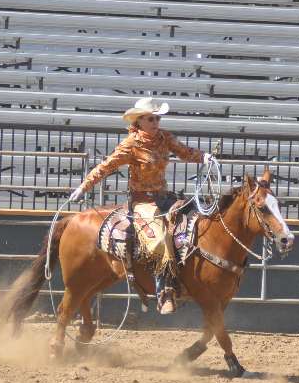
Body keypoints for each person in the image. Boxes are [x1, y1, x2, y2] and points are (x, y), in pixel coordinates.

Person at [69, 97, 211, 315]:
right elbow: (106, 166)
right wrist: (83, 187)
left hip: (165, 197)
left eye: (157, 118)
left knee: (196, 221)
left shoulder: (165, 138)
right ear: (139, 121)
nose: (156, 122)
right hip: (143, 202)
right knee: (160, 239)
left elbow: (184, 151)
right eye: (151, 118)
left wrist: (204, 157)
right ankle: (165, 293)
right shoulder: (131, 144)